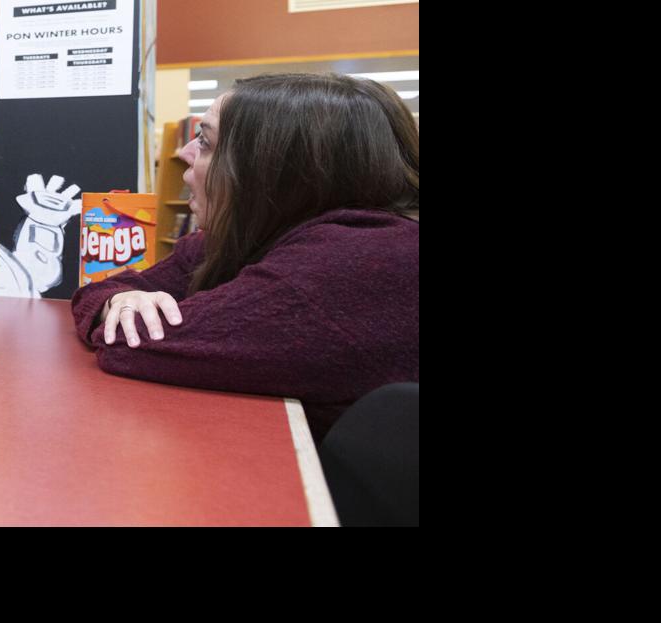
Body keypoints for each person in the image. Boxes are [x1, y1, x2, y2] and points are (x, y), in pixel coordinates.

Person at [69, 73, 421, 442]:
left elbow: (133, 345)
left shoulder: (353, 266)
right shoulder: (255, 237)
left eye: (205, 142)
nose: (185, 153)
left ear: (274, 170)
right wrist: (119, 301)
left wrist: (118, 315)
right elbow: (106, 292)